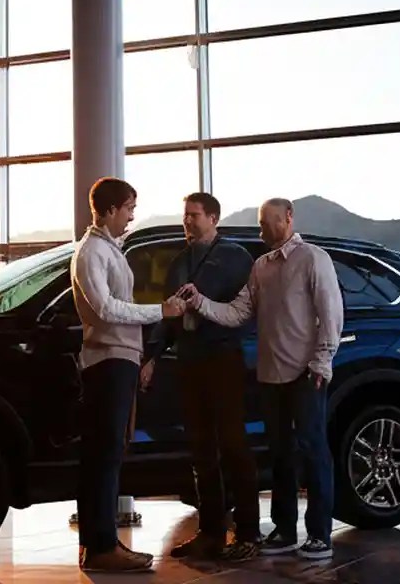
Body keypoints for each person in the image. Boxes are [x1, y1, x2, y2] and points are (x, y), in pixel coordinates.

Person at [177, 197, 343, 560]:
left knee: (314, 451)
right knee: (280, 454)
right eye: (260, 223)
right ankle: (284, 530)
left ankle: (320, 534)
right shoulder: (261, 268)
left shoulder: (313, 259)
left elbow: (331, 313)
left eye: (268, 223)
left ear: (288, 218)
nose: (262, 229)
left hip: (306, 374)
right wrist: (200, 301)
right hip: (270, 375)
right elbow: (239, 312)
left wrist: (322, 361)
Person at [72, 176, 187, 573]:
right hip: (107, 362)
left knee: (104, 457)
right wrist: (162, 311)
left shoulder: (106, 250)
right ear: (108, 210)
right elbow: (107, 309)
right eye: (128, 209)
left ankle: (99, 544)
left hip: (117, 359)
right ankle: (103, 547)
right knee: (104, 457)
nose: (131, 217)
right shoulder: (92, 253)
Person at [140, 192, 261, 561]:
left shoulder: (237, 258)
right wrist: (153, 357)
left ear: (213, 218)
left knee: (234, 446)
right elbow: (169, 316)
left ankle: (249, 533)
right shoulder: (179, 261)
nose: (187, 221)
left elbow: (248, 310)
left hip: (224, 359)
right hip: (189, 361)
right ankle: (210, 532)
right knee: (201, 449)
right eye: (185, 215)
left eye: (194, 215)